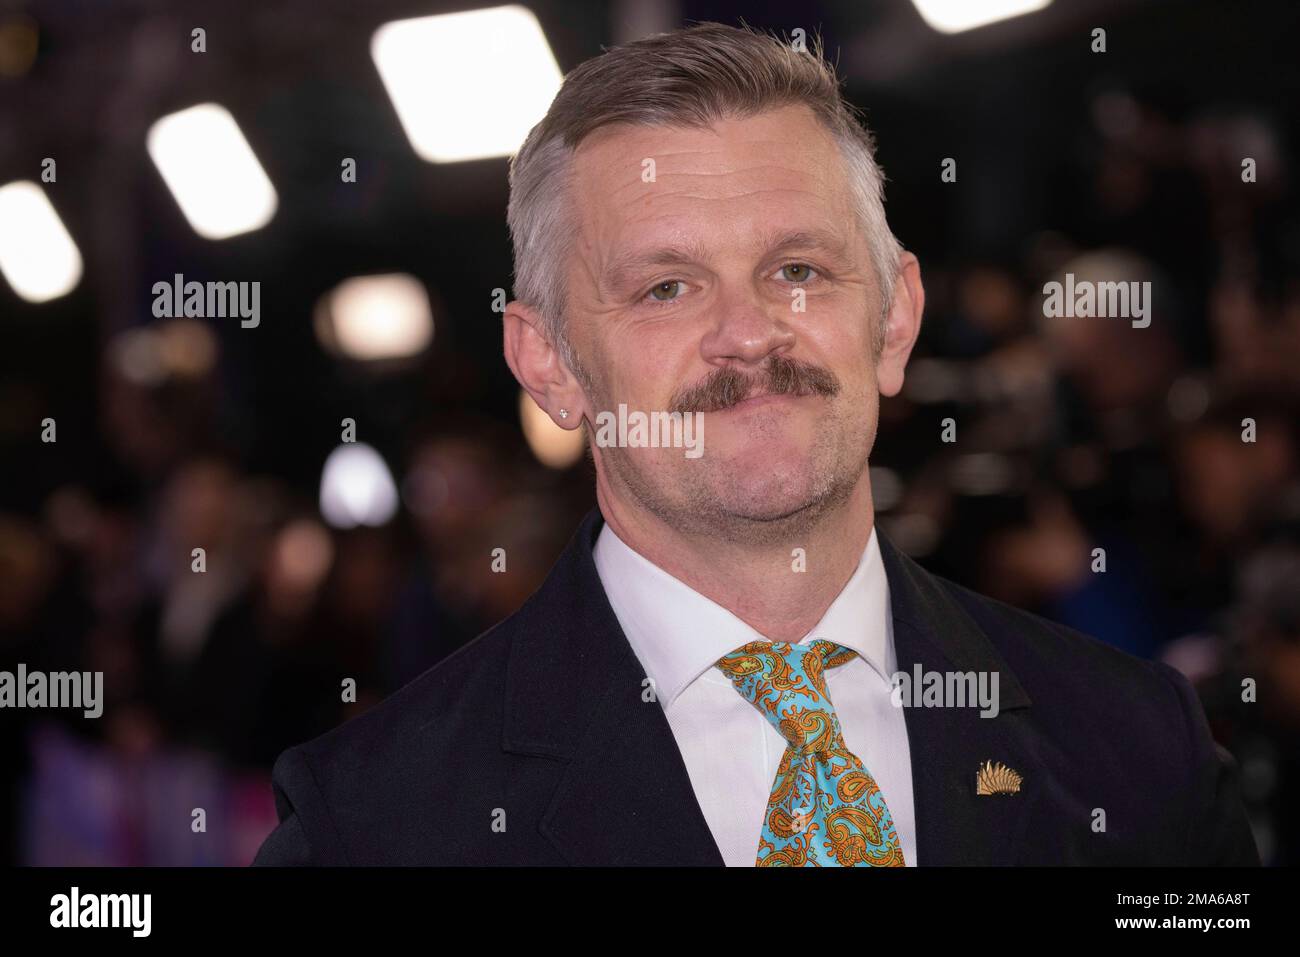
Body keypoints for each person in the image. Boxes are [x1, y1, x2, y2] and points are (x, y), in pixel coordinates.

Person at [254, 23, 1258, 866]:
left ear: (896, 321)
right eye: (666, 287)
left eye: (800, 269)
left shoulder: (1142, 756)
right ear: (548, 362)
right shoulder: (373, 830)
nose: (749, 335)